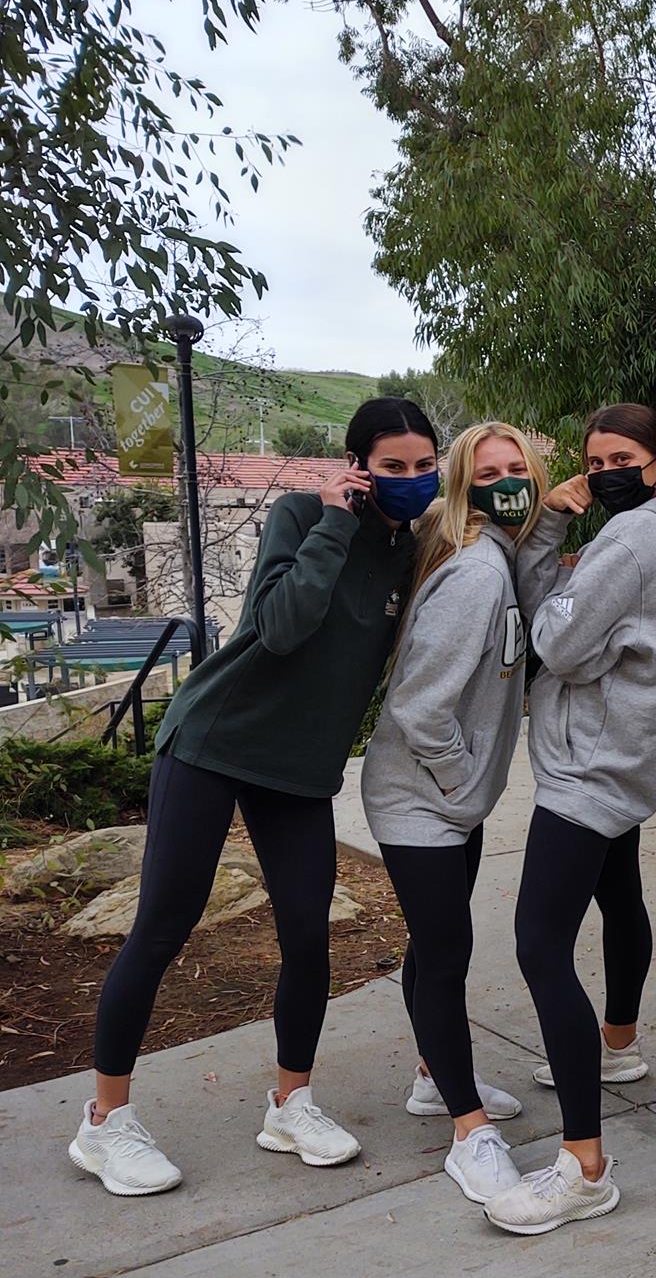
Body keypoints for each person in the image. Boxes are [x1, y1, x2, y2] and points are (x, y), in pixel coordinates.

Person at [71, 397, 435, 1195]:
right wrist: (335, 523)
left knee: (309, 937)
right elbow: (279, 626)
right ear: (358, 469)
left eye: (422, 466)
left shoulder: (413, 551)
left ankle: (290, 1103)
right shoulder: (303, 515)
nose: (410, 480)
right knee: (164, 924)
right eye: (391, 466)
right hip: (216, 741)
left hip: (298, 768)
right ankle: (103, 1124)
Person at [480, 403, 656, 1235]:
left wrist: (545, 537)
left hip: (591, 767)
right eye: (593, 458)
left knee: (539, 944)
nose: (603, 470)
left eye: (622, 457)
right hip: (632, 752)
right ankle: (619, 1043)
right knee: (620, 894)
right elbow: (585, 634)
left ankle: (583, 1166)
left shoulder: (627, 541)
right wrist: (576, 619)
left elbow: (559, 645)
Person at [361, 421, 550, 1206]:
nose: (507, 482)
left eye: (520, 469)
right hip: (422, 801)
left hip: (445, 802)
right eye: (488, 471)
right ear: (464, 487)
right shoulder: (476, 574)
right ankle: (468, 1134)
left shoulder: (492, 559)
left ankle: (436, 1078)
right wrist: (462, 784)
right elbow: (417, 706)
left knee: (433, 946)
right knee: (445, 953)